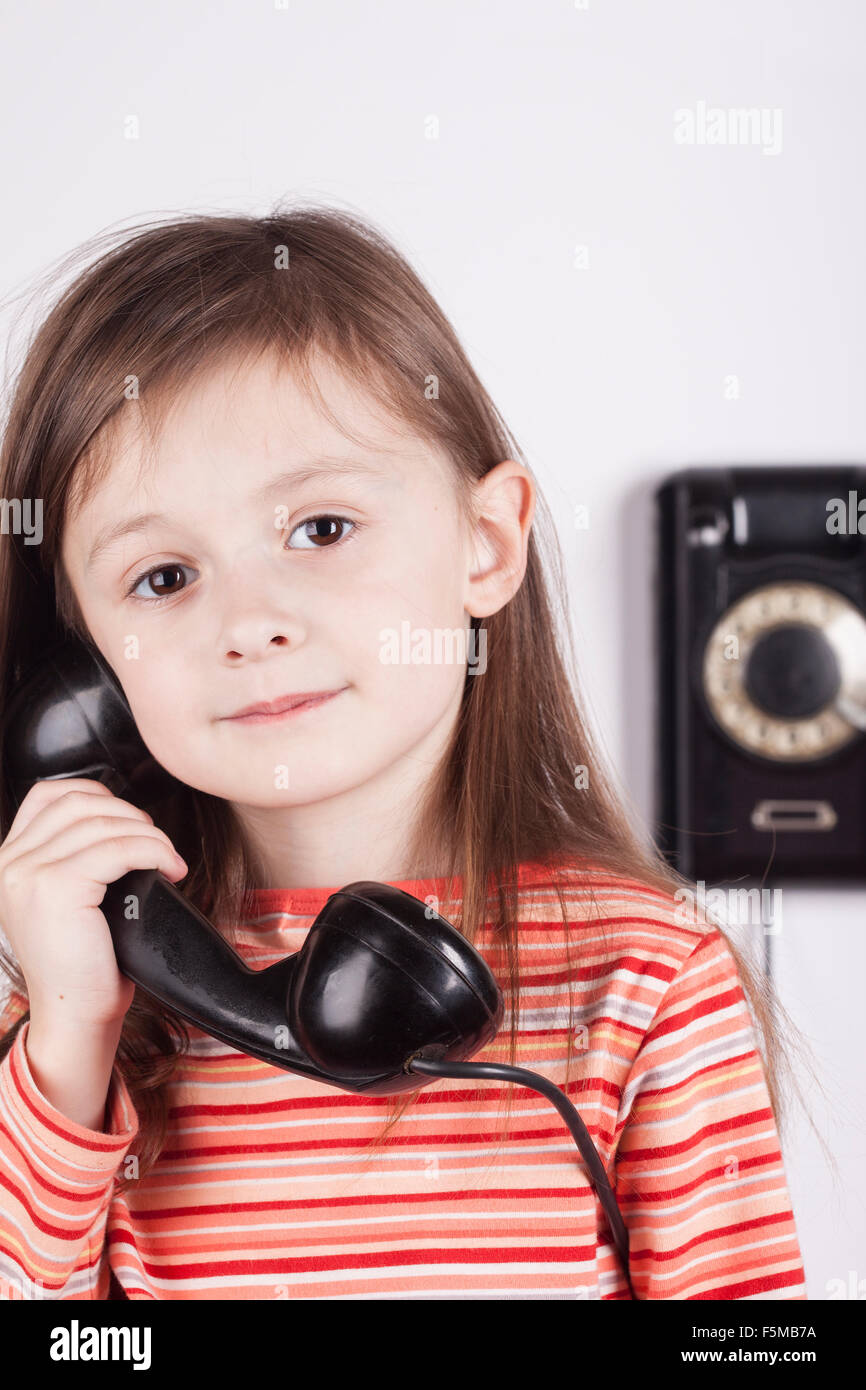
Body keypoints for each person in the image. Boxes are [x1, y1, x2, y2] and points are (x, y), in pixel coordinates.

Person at [0, 205, 809, 1299]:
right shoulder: (74, 1004)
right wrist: (69, 1040)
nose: (250, 620)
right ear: (82, 677)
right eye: (164, 577)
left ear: (484, 545)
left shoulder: (648, 975)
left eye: (320, 529)